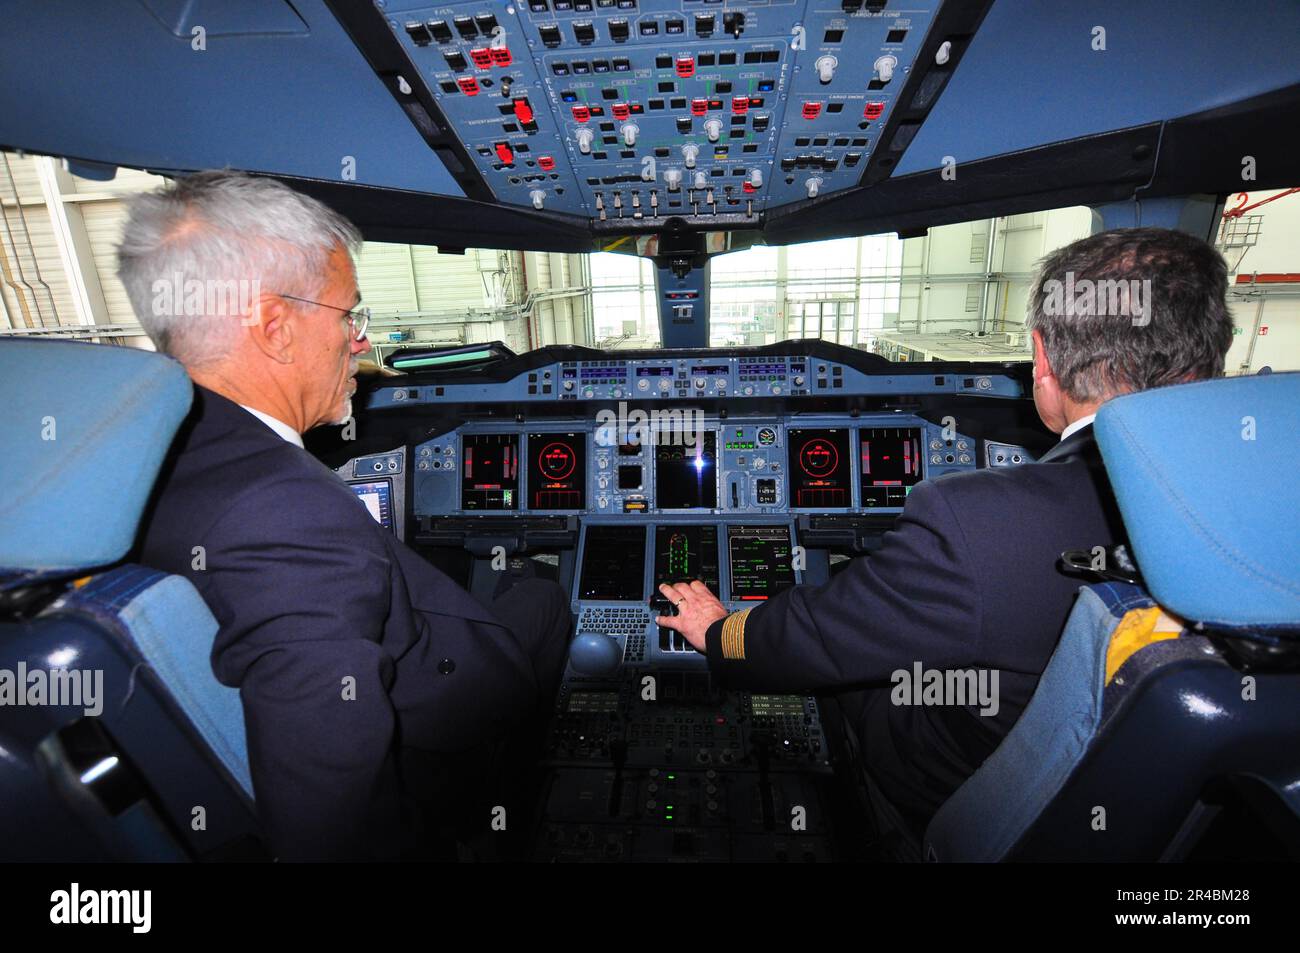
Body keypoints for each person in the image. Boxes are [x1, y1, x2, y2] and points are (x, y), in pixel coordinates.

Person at [655, 227, 1235, 838]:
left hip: (970, 781)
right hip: (1169, 812)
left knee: (847, 666)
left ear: (1042, 358)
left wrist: (721, 633)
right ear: (1211, 353)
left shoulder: (976, 522)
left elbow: (815, 638)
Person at [120, 170, 570, 860]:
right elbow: (333, 823)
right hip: (438, 734)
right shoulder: (283, 514)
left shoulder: (138, 455)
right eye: (348, 315)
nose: (361, 341)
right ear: (274, 328)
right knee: (543, 594)